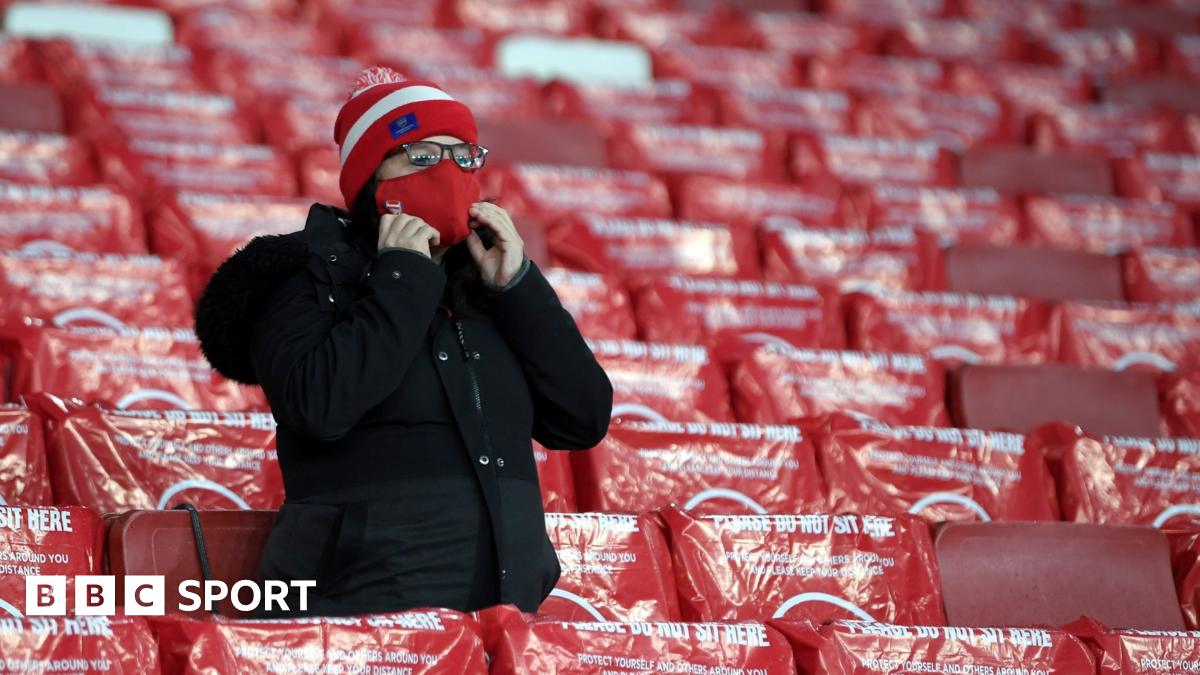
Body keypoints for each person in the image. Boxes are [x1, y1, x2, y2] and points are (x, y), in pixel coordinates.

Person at [193, 67, 613, 616]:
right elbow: (319, 406)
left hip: (502, 615)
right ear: (370, 181)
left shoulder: (489, 288)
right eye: (419, 157)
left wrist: (520, 287)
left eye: (463, 156)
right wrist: (403, 279)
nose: (446, 172)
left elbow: (582, 419)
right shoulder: (302, 278)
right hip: (358, 621)